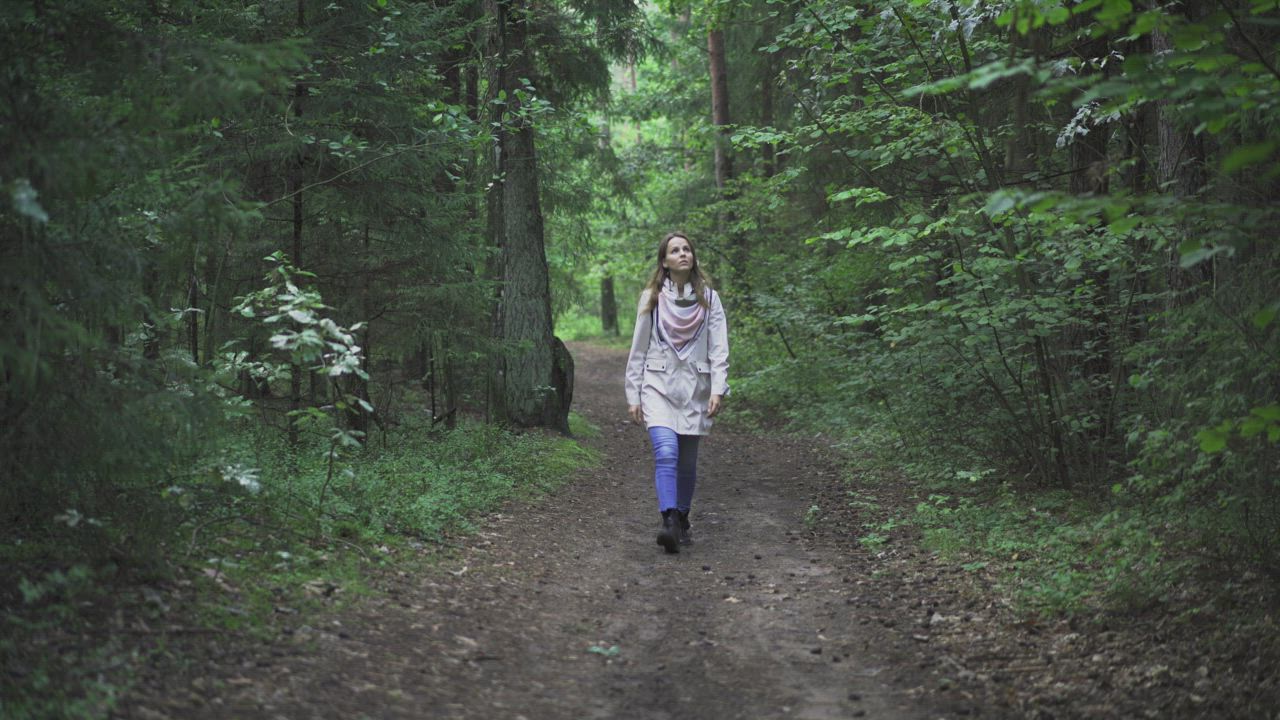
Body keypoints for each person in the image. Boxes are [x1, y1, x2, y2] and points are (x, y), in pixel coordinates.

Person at [624, 232, 729, 554]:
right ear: (665, 261)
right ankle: (668, 518)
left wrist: (718, 388)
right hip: (657, 386)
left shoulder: (709, 298)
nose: (682, 254)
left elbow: (719, 348)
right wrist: (633, 393)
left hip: (696, 387)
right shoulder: (651, 298)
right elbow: (638, 349)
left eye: (686, 249)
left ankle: (682, 517)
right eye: (675, 250)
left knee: (687, 460)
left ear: (692, 257)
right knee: (666, 451)